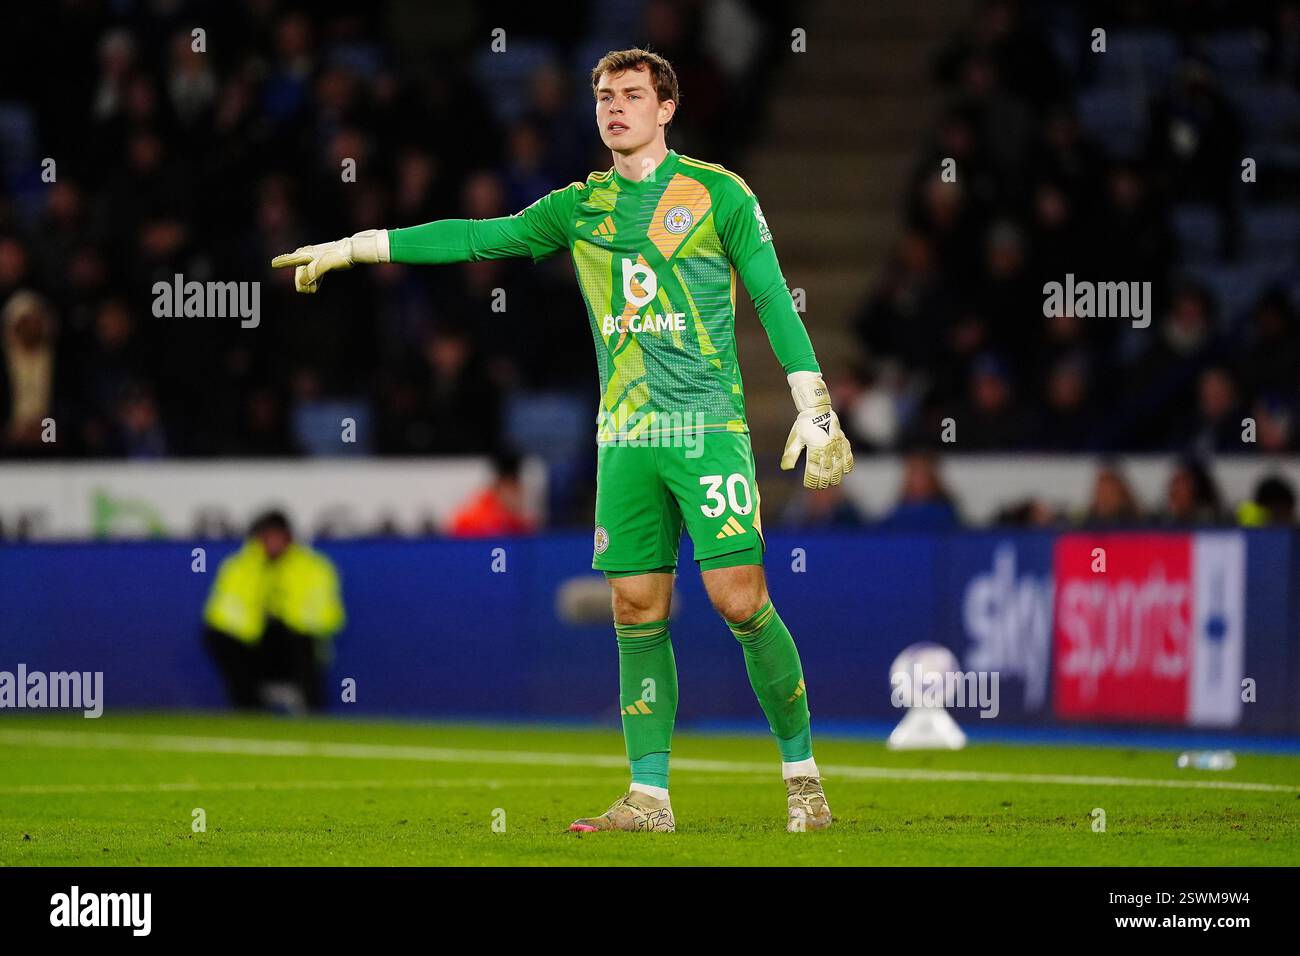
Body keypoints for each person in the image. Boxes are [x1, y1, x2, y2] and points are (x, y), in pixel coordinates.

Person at [271, 48, 853, 833]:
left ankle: (804, 780)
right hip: (626, 437)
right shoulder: (578, 207)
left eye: (632, 95)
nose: (615, 107)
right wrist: (359, 246)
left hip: (707, 429)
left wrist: (811, 398)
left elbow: (772, 295)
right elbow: (478, 238)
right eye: (605, 96)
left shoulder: (719, 193)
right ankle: (649, 797)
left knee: (738, 600)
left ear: (666, 107)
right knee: (635, 605)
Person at [203, 510, 345, 713]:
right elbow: (220, 614)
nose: (272, 541)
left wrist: (284, 616)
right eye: (266, 536)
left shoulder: (314, 566)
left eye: (277, 535)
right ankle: (249, 709)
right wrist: (256, 624)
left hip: (294, 642)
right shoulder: (239, 566)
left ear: (288, 537)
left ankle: (312, 710)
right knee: (218, 639)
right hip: (253, 642)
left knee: (303, 643)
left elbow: (329, 615)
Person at [447, 451, 536, 537]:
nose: (519, 495)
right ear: (500, 486)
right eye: (513, 488)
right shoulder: (472, 519)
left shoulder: (521, 523)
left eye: (519, 489)